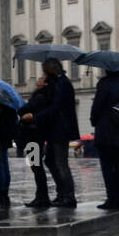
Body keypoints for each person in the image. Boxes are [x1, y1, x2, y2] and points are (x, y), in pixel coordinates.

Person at [25, 59, 78, 207]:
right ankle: (61, 194)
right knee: (50, 160)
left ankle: (68, 196)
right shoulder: (58, 84)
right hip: (53, 129)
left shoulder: (62, 84)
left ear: (53, 69)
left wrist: (34, 117)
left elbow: (55, 106)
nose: (43, 76)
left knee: (60, 163)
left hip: (59, 129)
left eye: (45, 72)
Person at [90, 69, 119, 210]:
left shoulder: (104, 84)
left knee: (108, 168)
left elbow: (97, 106)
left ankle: (113, 199)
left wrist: (94, 120)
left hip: (107, 131)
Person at [19, 77, 53, 208]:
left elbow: (23, 109)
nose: (38, 80)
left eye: (41, 79)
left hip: (32, 135)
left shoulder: (40, 97)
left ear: (45, 83)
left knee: (36, 167)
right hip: (35, 135)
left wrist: (25, 113)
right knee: (36, 167)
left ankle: (42, 197)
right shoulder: (45, 96)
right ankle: (41, 196)